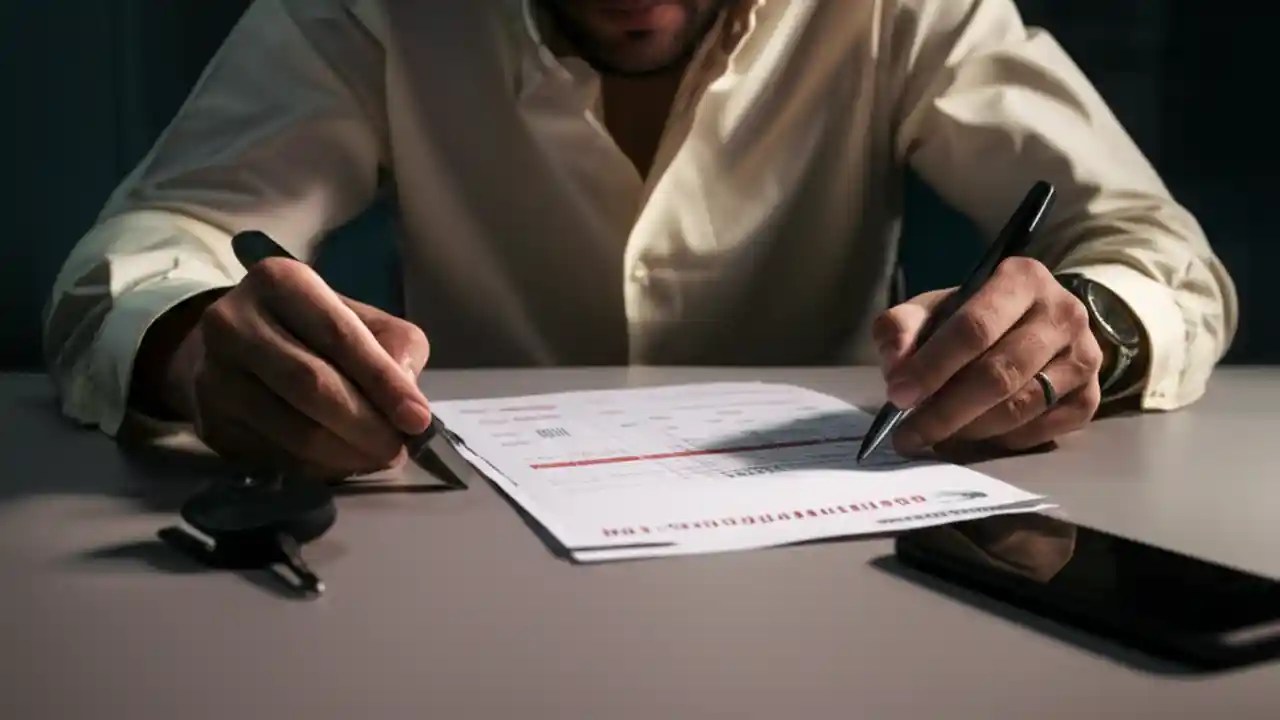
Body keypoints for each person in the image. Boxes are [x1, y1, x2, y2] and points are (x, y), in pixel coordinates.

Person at [43, 0, 1237, 479]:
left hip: (838, 543)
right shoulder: (368, 9)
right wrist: (193, 345)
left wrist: (1086, 331)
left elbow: (1153, 250)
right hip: (457, 551)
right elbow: (147, 246)